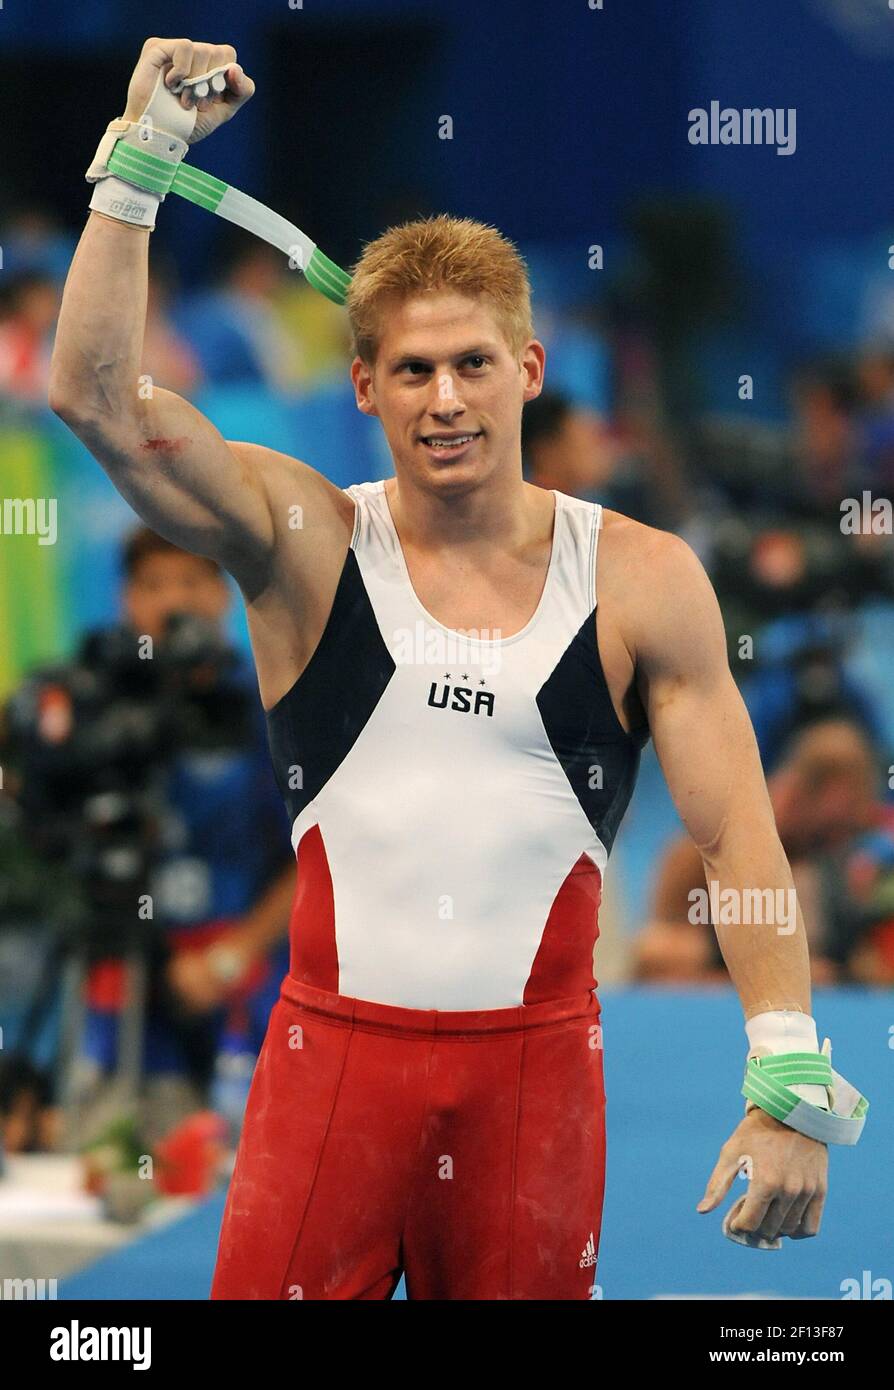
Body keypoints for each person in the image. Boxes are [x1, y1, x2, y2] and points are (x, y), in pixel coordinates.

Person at [50, 37, 841, 1299]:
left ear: (530, 370)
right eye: (411, 370)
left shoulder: (639, 579)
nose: (445, 398)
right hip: (328, 1073)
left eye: (474, 362)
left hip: (534, 1084)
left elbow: (740, 832)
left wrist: (788, 1071)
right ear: (361, 386)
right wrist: (140, 166)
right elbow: (93, 397)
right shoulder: (306, 542)